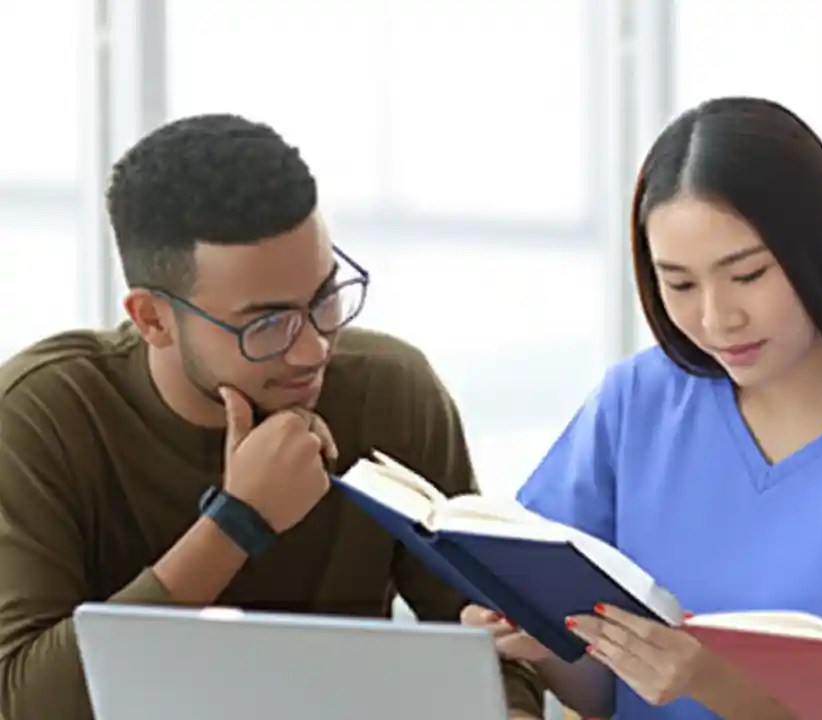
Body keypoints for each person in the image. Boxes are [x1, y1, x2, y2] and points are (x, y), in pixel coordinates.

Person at [463, 97, 822, 719]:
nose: (718, 319)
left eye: (747, 275)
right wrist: (542, 647)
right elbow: (602, 697)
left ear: (820, 252)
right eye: (680, 284)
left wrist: (711, 681)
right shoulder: (637, 401)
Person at [0, 114, 543, 720]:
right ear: (152, 318)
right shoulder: (44, 415)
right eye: (267, 324)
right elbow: (22, 700)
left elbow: (490, 634)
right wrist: (237, 524)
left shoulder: (391, 391)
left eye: (325, 298)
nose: (313, 350)